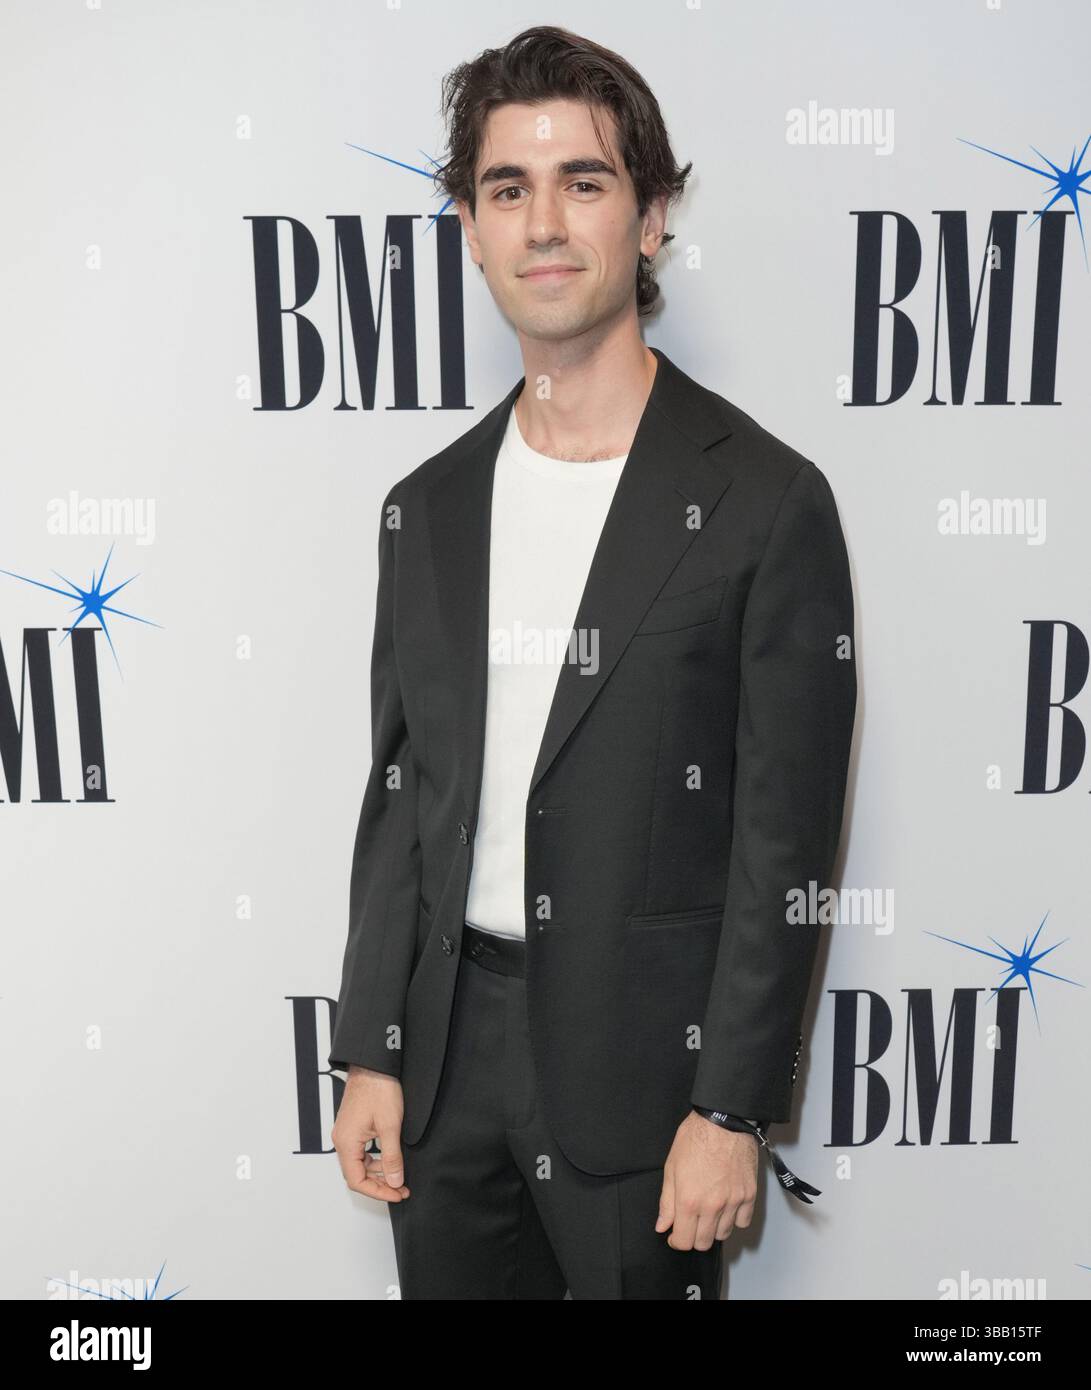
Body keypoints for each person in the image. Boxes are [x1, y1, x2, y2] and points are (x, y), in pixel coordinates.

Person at [329, 24, 856, 1300]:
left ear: (652, 215)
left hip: (645, 1086)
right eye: (507, 189)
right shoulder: (428, 505)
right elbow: (403, 798)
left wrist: (728, 1108)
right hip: (447, 1074)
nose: (544, 223)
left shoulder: (763, 503)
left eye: (586, 181)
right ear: (468, 227)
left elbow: (781, 844)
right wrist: (372, 1050)